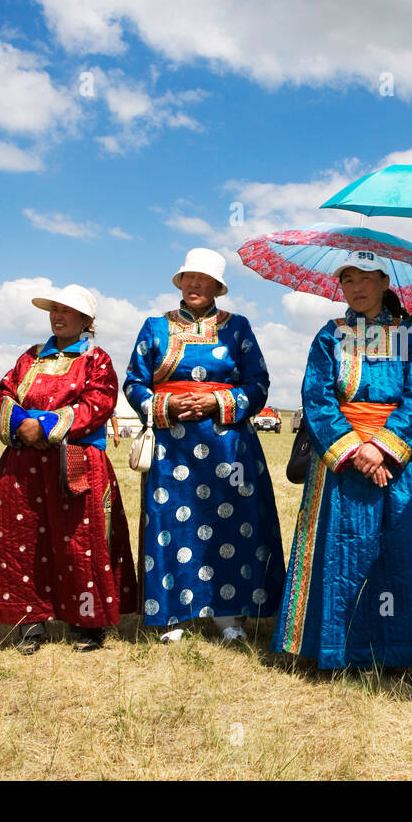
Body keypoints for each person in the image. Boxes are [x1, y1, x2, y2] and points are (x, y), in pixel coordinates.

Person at [272, 249, 412, 670]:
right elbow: (317, 397)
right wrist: (355, 450)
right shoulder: (330, 335)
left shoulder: (408, 336)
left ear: (385, 283)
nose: (357, 288)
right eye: (348, 280)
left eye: (366, 279)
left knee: (395, 551)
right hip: (340, 464)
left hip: (392, 465)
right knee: (339, 550)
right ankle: (334, 648)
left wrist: (381, 447)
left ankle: (399, 651)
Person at [0, 285, 137, 653]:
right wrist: (24, 426)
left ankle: (86, 622)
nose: (58, 316)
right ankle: (31, 621)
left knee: (80, 542)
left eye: (66, 312)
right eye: (54, 310)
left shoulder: (97, 359)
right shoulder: (31, 357)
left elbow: (98, 403)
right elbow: (3, 396)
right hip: (26, 464)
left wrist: (44, 427)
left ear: (86, 321)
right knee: (24, 539)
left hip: (76, 461)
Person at [124, 248, 285, 643]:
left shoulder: (238, 328)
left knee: (231, 523)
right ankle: (173, 614)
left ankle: (229, 615)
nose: (195, 285)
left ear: (217, 287)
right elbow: (133, 383)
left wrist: (218, 401)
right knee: (169, 524)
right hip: (171, 446)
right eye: (189, 278)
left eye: (204, 279)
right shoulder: (154, 327)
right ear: (179, 282)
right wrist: (167, 403)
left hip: (229, 446)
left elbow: (259, 384)